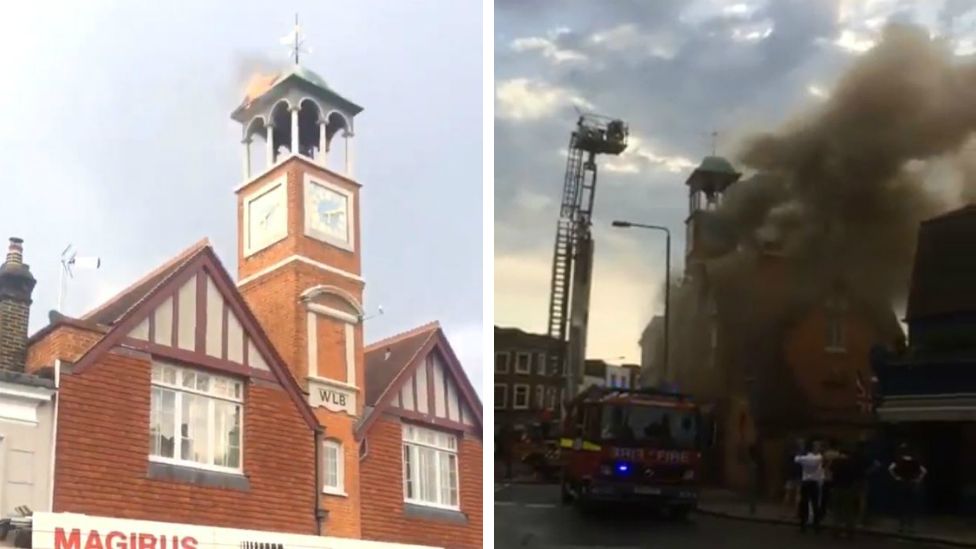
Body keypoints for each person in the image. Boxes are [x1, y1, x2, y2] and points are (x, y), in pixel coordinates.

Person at [888, 444, 927, 534]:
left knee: (902, 506)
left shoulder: (899, 461)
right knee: (911, 506)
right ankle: (911, 527)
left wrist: (896, 477)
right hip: (911, 484)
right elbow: (924, 470)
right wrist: (918, 479)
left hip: (902, 484)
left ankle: (901, 526)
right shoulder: (915, 462)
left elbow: (890, 468)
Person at [829, 445, 865, 539]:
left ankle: (836, 530)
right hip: (849, 488)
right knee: (848, 511)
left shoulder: (836, 462)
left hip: (837, 488)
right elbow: (858, 477)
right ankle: (850, 531)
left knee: (837, 510)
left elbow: (831, 473)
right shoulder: (853, 463)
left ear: (841, 453)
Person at [795, 440, 825, 532]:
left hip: (805, 482)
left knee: (804, 504)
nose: (819, 447)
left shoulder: (804, 457)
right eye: (818, 446)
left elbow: (796, 459)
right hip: (814, 483)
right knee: (815, 504)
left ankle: (803, 525)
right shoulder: (819, 457)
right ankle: (816, 525)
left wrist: (801, 449)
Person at [782, 437, 803, 517]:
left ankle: (784, 512)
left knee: (787, 494)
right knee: (798, 495)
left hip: (790, 476)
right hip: (798, 476)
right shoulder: (801, 455)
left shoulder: (790, 455)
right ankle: (796, 513)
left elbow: (786, 465)